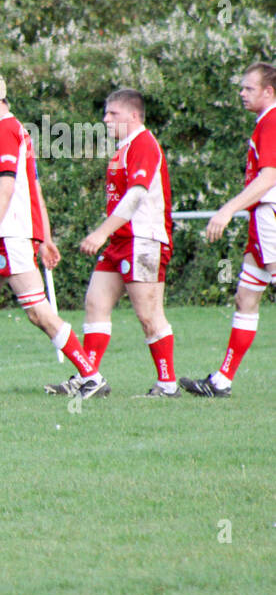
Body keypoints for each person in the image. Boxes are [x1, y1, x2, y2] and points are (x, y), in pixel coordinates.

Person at [0, 69, 106, 397]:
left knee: (37, 312)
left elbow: (8, 188)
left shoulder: (4, 131)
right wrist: (44, 237)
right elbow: (35, 187)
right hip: (5, 235)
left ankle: (91, 376)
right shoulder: (10, 130)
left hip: (10, 234)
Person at [47, 88, 176, 397]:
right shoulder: (124, 147)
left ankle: (168, 384)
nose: (105, 119)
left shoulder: (143, 143)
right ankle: (90, 378)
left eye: (112, 114)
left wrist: (101, 231)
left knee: (148, 314)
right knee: (95, 303)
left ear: (133, 115)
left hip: (143, 240)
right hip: (121, 242)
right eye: (105, 113)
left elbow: (136, 195)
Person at [180, 61, 276, 397]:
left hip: (271, 216)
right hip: (262, 220)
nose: (242, 93)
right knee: (245, 298)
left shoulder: (272, 120)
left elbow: (269, 177)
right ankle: (222, 381)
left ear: (269, 91)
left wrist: (227, 209)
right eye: (242, 87)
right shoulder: (264, 122)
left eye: (249, 88)